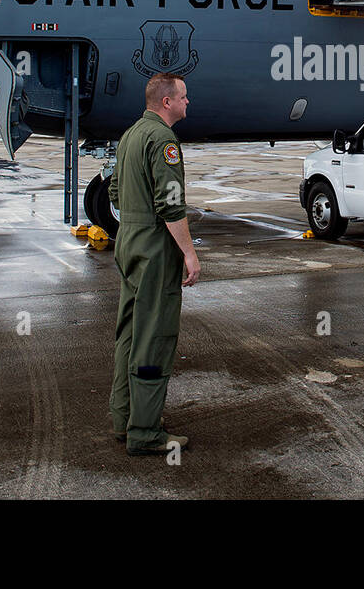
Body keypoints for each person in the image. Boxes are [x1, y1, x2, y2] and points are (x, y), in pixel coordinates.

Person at [108, 72, 201, 455]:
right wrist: (189, 253)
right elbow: (171, 204)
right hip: (153, 248)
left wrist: (133, 220)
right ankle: (145, 432)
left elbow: (114, 188)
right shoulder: (163, 140)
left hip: (128, 240)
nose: (187, 102)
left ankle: (123, 417)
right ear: (167, 102)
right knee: (154, 335)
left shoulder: (131, 135)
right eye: (183, 97)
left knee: (130, 332)